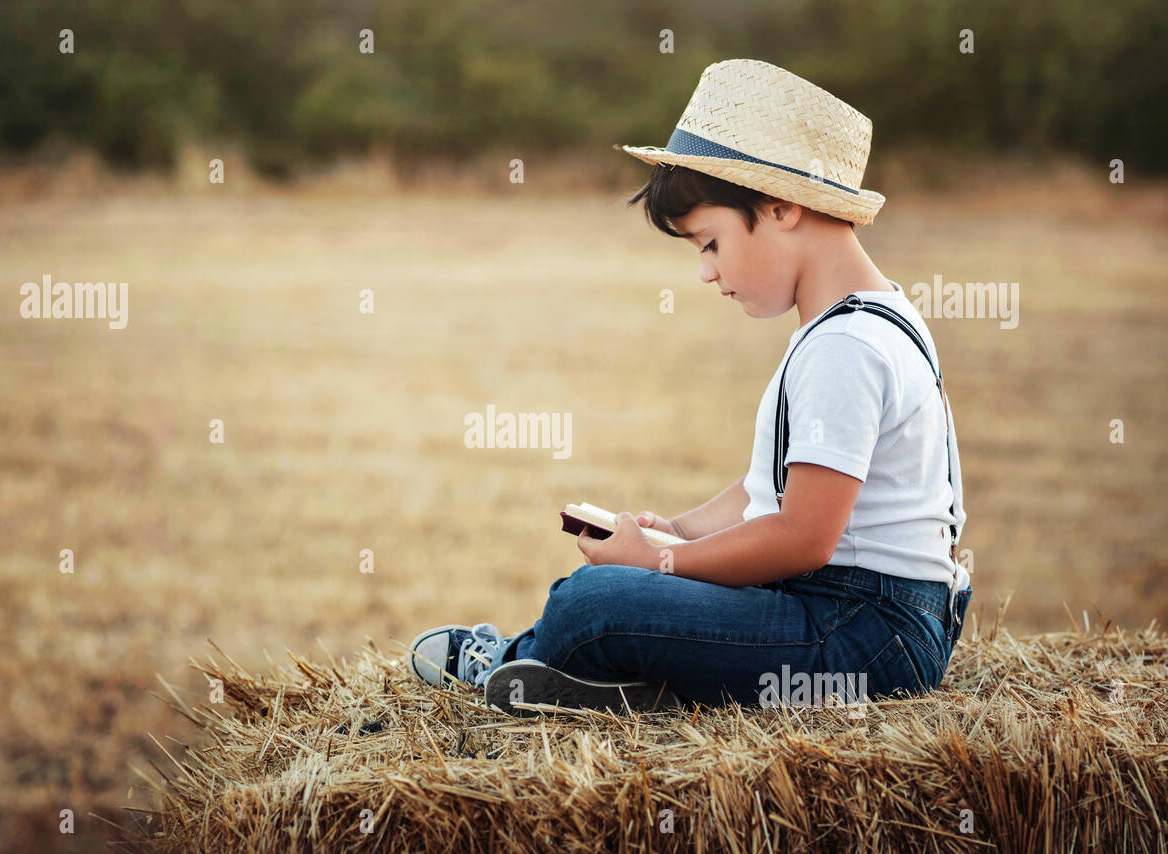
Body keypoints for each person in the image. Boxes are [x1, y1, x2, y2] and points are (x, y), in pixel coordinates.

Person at [407, 59, 972, 716]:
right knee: (613, 585)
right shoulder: (871, 316)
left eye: (710, 243)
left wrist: (661, 563)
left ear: (782, 206)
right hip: (880, 629)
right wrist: (676, 531)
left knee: (591, 602)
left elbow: (803, 537)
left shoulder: (843, 346)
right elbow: (777, 488)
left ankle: (513, 663)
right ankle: (604, 677)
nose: (706, 272)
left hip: (858, 640)